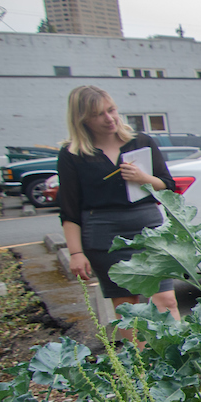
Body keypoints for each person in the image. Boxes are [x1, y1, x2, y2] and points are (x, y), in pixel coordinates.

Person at [58, 85, 180, 327]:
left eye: (111, 110)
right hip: (104, 238)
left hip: (149, 232)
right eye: (97, 114)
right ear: (82, 119)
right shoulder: (72, 154)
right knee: (129, 310)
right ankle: (143, 364)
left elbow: (167, 186)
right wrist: (76, 253)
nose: (109, 118)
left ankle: (179, 360)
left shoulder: (142, 142)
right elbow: (69, 209)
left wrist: (143, 178)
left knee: (167, 300)